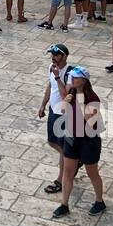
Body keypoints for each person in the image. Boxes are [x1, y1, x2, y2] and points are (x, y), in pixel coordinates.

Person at [53, 67, 106, 218]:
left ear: (84, 80)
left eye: (75, 78)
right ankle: (64, 204)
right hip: (71, 137)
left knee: (92, 172)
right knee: (68, 172)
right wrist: (65, 102)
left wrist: (79, 103)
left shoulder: (92, 98)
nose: (72, 79)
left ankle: (99, 201)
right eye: (72, 77)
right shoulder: (72, 92)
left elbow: (91, 122)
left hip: (88, 140)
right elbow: (64, 112)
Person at [38, 44, 72, 195]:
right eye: (52, 54)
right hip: (53, 110)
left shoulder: (70, 73)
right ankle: (72, 158)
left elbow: (66, 95)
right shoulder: (51, 67)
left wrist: (58, 76)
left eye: (56, 55)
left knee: (62, 145)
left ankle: (60, 179)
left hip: (63, 114)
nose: (53, 57)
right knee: (52, 142)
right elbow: (50, 86)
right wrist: (43, 105)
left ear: (64, 57)